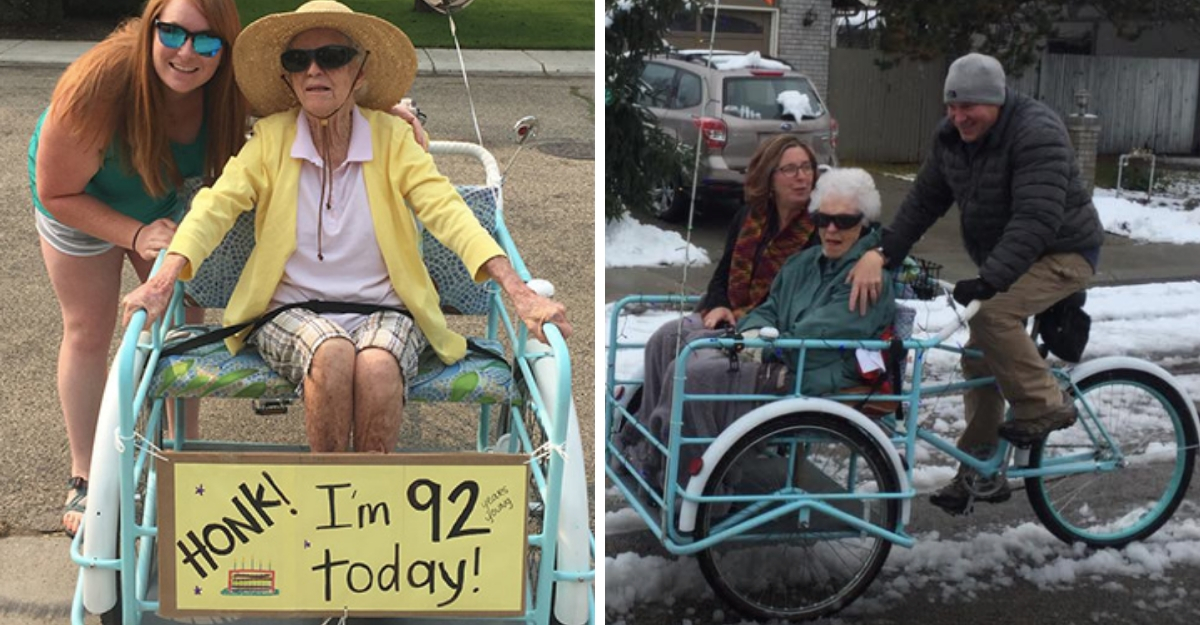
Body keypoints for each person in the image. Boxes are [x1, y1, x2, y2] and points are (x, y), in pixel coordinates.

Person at [121, 0, 571, 455]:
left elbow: (449, 213)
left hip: (388, 309)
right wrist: (161, 283)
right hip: (288, 310)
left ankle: (367, 497)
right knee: (331, 354)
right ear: (288, 78)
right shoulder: (271, 139)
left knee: (378, 368)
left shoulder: (392, 139)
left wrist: (520, 293)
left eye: (333, 56)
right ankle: (329, 495)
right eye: (298, 60)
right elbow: (212, 209)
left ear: (359, 73)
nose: (314, 70)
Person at [846, 53, 1104, 515]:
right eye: (951, 106)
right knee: (979, 358)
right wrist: (885, 254)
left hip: (1063, 252)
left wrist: (991, 281)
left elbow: (1036, 218)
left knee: (993, 314)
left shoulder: (1036, 133)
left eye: (969, 107)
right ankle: (980, 470)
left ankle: (1045, 403)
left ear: (997, 101)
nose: (959, 117)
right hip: (1010, 258)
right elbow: (924, 201)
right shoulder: (952, 139)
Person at [30, 0, 246, 537]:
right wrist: (132, 234)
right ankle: (86, 473)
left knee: (182, 323)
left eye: (207, 41)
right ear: (151, 28)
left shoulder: (235, 86)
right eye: (171, 33)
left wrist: (392, 115)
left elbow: (315, 92)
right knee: (89, 328)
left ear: (226, 48)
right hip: (81, 199)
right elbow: (56, 192)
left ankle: (178, 457)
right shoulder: (98, 87)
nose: (186, 52)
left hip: (164, 198)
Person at [629, 168, 895, 487]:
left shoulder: (867, 280)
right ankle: (652, 450)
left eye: (844, 221)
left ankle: (688, 484)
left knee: (695, 373)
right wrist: (754, 336)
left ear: (863, 223)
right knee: (671, 339)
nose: (831, 229)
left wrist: (761, 346)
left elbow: (817, 337)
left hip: (813, 373)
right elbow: (767, 309)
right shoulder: (804, 263)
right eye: (823, 219)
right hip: (778, 353)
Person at [631, 135, 821, 439]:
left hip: (768, 330)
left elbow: (864, 232)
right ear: (769, 178)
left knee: (689, 361)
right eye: (789, 169)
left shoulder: (822, 228)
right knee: (663, 339)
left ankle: (674, 446)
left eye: (806, 167)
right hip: (730, 314)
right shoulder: (749, 218)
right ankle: (646, 435)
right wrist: (719, 303)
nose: (801, 177)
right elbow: (722, 274)